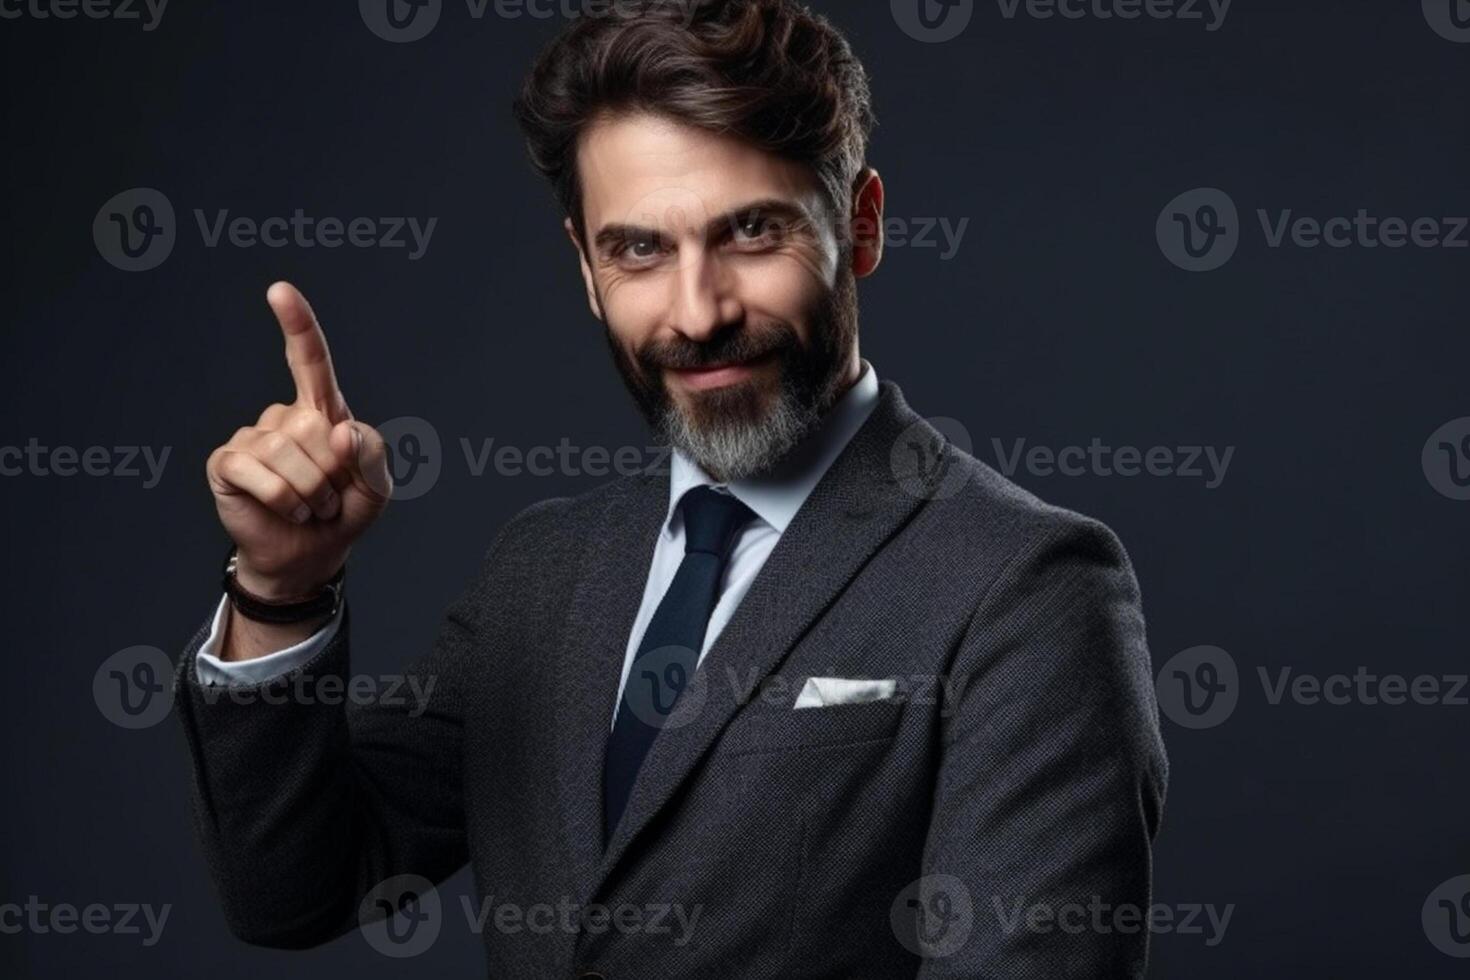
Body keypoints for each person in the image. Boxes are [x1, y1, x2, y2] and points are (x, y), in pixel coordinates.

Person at [176, 1, 1168, 975]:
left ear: (859, 225)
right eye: (640, 248)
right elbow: (294, 889)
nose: (696, 314)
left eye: (750, 232)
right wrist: (280, 589)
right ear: (586, 266)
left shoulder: (1028, 585)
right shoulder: (542, 569)